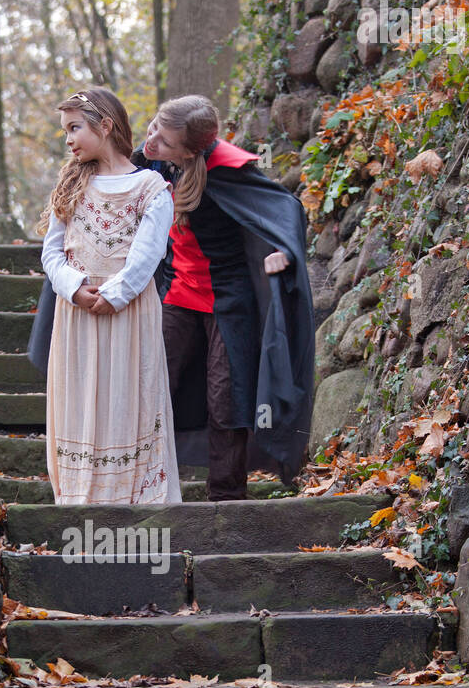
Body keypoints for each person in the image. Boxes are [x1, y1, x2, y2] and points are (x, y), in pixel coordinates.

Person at [135, 95, 315, 496]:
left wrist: (283, 251)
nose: (153, 142)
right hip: (175, 292)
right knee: (150, 382)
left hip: (228, 302)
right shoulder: (152, 160)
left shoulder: (227, 169)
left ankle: (227, 500)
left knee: (226, 400)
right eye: (154, 130)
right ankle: (142, 485)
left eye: (164, 140)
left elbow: (286, 209)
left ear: (190, 149)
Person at [34, 87, 181, 506]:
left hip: (128, 311)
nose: (68, 139)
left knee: (128, 392)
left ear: (106, 125)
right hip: (77, 311)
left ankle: (131, 493)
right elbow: (51, 250)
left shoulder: (151, 186)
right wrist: (74, 287)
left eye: (74, 128)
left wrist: (115, 294)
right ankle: (82, 493)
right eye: (64, 131)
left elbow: (148, 253)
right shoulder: (71, 182)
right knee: (82, 398)